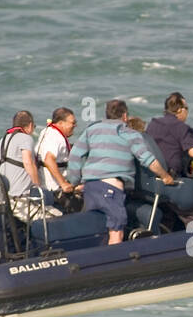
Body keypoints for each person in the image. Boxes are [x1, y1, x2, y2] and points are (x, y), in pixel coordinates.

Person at [66, 99, 177, 245]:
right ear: (125, 116)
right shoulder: (129, 134)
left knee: (97, 230)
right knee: (116, 232)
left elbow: (75, 156)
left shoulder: (91, 130)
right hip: (111, 189)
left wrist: (73, 182)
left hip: (90, 188)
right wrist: (166, 176)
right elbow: (148, 160)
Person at [128, 114, 193, 227]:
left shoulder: (128, 145)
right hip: (159, 188)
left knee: (167, 211)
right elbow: (159, 167)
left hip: (142, 192)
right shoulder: (146, 142)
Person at [0, 110, 52, 219]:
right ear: (29, 125)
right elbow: (28, 162)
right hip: (19, 203)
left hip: (1, 200)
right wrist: (38, 187)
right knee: (57, 216)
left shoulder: (0, 142)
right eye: (33, 126)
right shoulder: (26, 138)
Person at [146, 92, 193, 178]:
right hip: (172, 176)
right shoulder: (181, 127)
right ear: (180, 110)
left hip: (152, 173)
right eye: (186, 108)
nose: (187, 112)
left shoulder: (153, 123)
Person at [36, 107, 77, 196]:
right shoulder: (57, 137)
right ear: (61, 123)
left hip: (44, 185)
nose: (75, 125)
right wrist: (63, 183)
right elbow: (48, 159)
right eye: (73, 123)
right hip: (54, 189)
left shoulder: (46, 131)